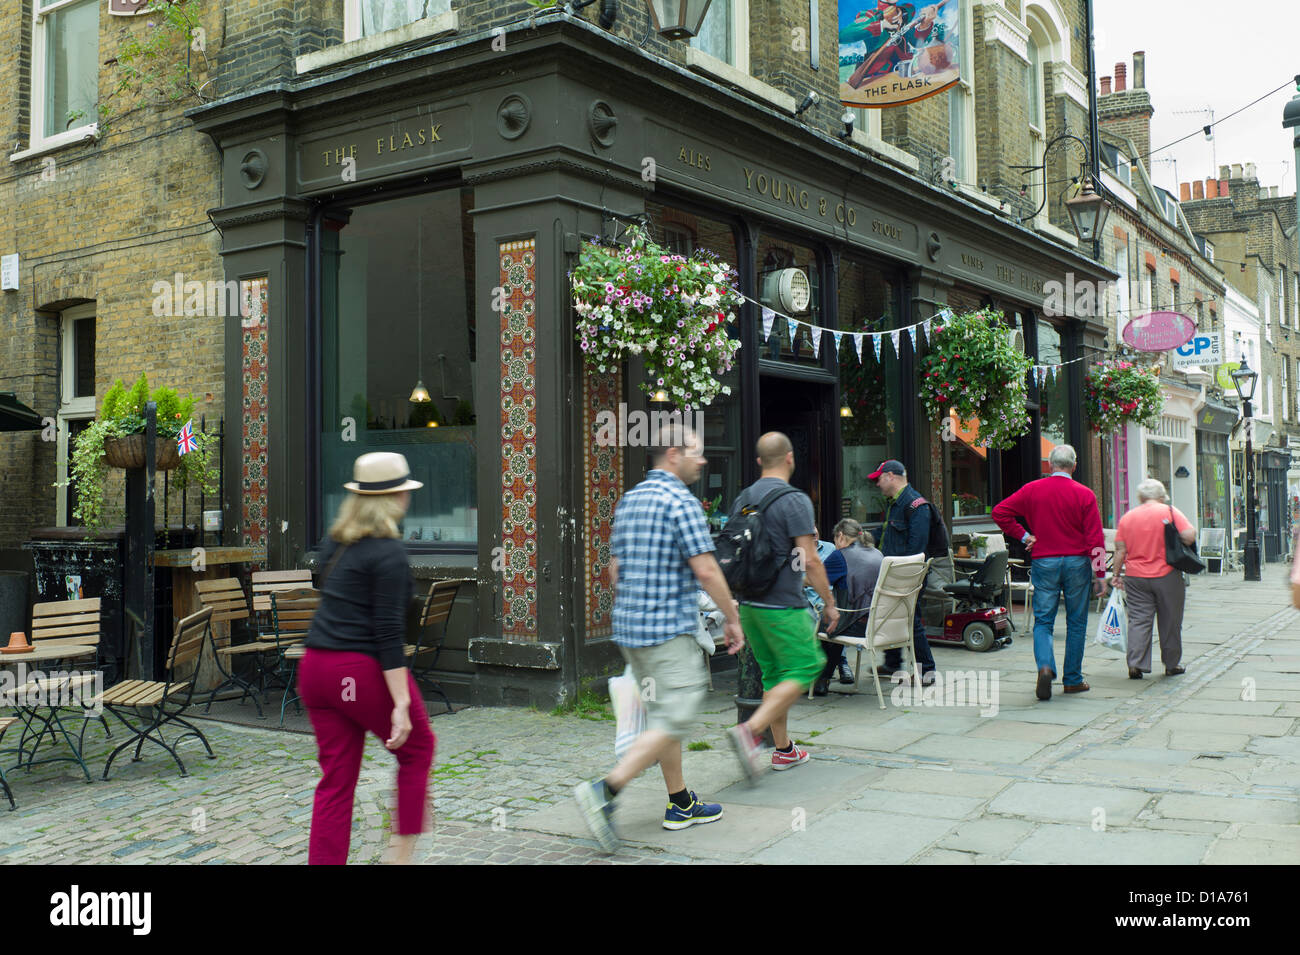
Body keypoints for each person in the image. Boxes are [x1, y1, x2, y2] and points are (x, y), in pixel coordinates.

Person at [574, 423, 744, 853]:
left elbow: (614, 571)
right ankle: (604, 792)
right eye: (696, 452)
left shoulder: (629, 500)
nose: (703, 460)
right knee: (676, 717)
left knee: (663, 717)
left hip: (631, 631)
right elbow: (706, 569)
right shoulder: (680, 502)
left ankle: (679, 800)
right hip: (668, 631)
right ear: (673, 453)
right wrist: (731, 617)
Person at [298, 452, 435, 865]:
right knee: (418, 748)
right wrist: (403, 704)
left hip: (315, 667)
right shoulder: (389, 553)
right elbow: (388, 635)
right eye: (404, 492)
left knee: (336, 782)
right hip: (355, 670)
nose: (408, 500)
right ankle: (399, 857)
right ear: (393, 498)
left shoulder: (336, 542)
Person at [726, 433, 839, 783]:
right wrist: (830, 604)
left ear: (760, 461)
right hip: (781, 606)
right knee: (809, 665)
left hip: (749, 605)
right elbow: (811, 561)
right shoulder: (795, 501)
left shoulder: (743, 498)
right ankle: (751, 731)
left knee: (774, 676)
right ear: (790, 458)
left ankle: (784, 750)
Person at [992, 444, 1107, 701]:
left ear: (1051, 465)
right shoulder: (1085, 494)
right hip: (1077, 563)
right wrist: (1100, 574)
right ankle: (1073, 679)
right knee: (1076, 622)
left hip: (1045, 561)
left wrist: (1024, 535)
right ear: (1074, 466)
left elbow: (999, 512)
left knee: (1043, 621)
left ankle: (1045, 666)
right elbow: (1096, 537)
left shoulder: (1033, 489)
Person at [1112, 479, 1196, 679]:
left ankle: (1135, 664)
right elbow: (1189, 535)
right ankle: (1171, 664)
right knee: (1170, 620)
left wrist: (1115, 575)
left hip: (1135, 576)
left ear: (1141, 497)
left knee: (1138, 620)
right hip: (1166, 574)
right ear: (1161, 496)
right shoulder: (1169, 512)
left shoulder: (1128, 517)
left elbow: (1120, 550)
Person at [870, 460, 937, 684]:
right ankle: (892, 663)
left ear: (891, 476)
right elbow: (886, 533)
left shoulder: (916, 505)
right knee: (894, 618)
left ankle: (926, 670)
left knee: (910, 620)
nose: (877, 484)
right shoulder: (894, 504)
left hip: (907, 575)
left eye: (879, 479)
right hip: (894, 573)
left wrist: (906, 579)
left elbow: (916, 549)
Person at [813, 521, 883, 696]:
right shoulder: (878, 554)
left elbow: (816, 581)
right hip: (880, 624)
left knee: (824, 623)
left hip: (857, 625)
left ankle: (820, 679)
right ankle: (824, 678)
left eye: (835, 539)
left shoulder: (840, 556)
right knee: (837, 620)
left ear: (841, 536)